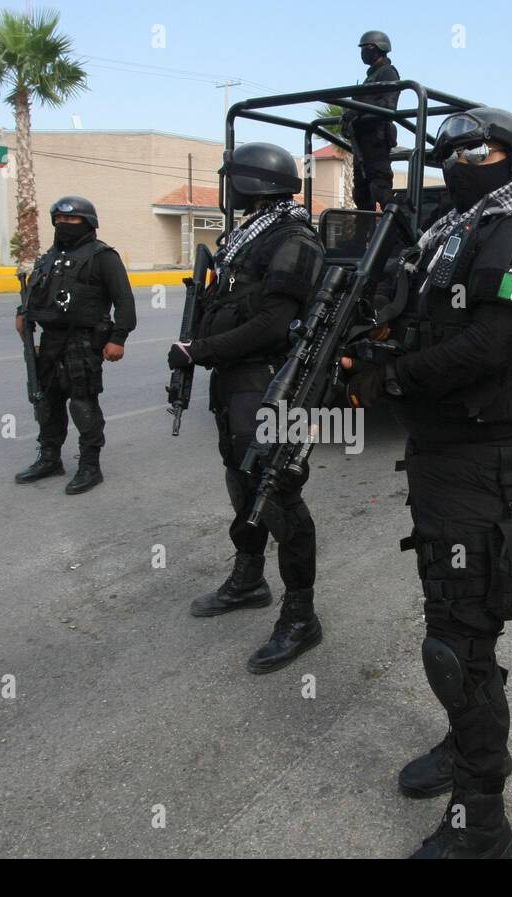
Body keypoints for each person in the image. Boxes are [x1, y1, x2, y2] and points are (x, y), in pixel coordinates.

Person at [340, 107, 512, 858]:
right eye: (443, 149)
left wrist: (391, 376)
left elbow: (489, 344)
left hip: (495, 460)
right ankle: (462, 743)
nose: (453, 160)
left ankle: (482, 822)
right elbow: (421, 325)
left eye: (470, 148)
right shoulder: (452, 236)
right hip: (446, 458)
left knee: (457, 644)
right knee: (459, 621)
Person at [168, 143, 326, 674]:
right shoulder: (246, 235)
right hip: (236, 383)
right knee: (241, 484)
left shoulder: (294, 240)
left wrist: (203, 350)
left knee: (278, 496)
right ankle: (249, 579)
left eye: (233, 178)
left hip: (272, 383)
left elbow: (274, 324)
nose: (226, 185)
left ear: (255, 182)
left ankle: (301, 617)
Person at [14, 196, 135, 494]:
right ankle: (50, 458)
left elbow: (125, 302)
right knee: (47, 403)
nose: (64, 225)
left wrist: (117, 339)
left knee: (82, 405)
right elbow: (34, 293)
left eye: (72, 220)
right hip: (50, 342)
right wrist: (22, 315)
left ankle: (90, 466)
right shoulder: (49, 257)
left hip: (83, 341)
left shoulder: (103, 256)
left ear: (88, 222)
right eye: (60, 220)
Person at [343, 30, 400, 211]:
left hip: (376, 141)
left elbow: (388, 107)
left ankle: (398, 231)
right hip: (362, 143)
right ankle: (363, 236)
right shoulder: (369, 78)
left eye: (365, 48)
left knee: (380, 189)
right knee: (361, 193)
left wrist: (358, 112)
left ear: (376, 48)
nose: (362, 53)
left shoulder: (388, 73)